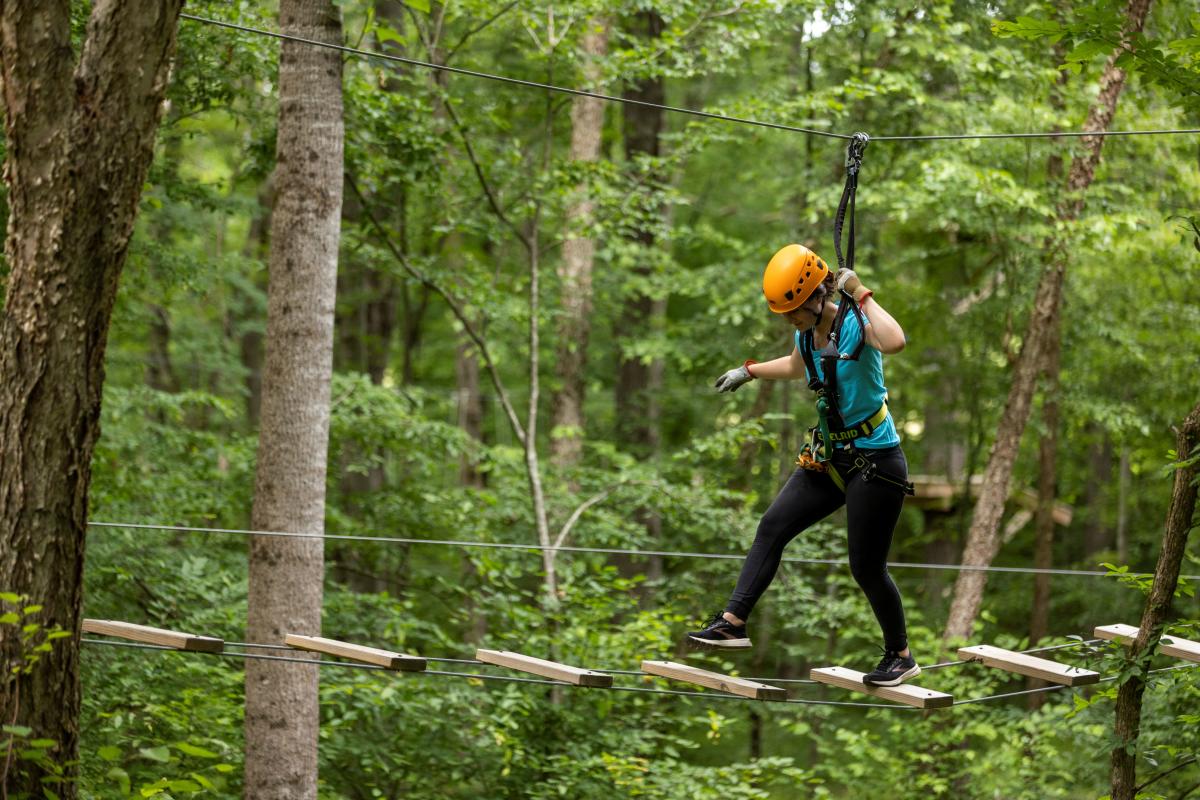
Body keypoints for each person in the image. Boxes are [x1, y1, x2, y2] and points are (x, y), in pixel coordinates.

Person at [687, 243, 919, 687]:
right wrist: (750, 371)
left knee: (866, 566)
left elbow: (897, 341)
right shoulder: (804, 335)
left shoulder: (856, 323)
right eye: (785, 312)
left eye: (793, 310)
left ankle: (901, 655)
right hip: (831, 457)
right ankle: (733, 622)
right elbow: (798, 366)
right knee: (772, 525)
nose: (788, 319)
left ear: (818, 297)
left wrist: (860, 291)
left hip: (875, 461)